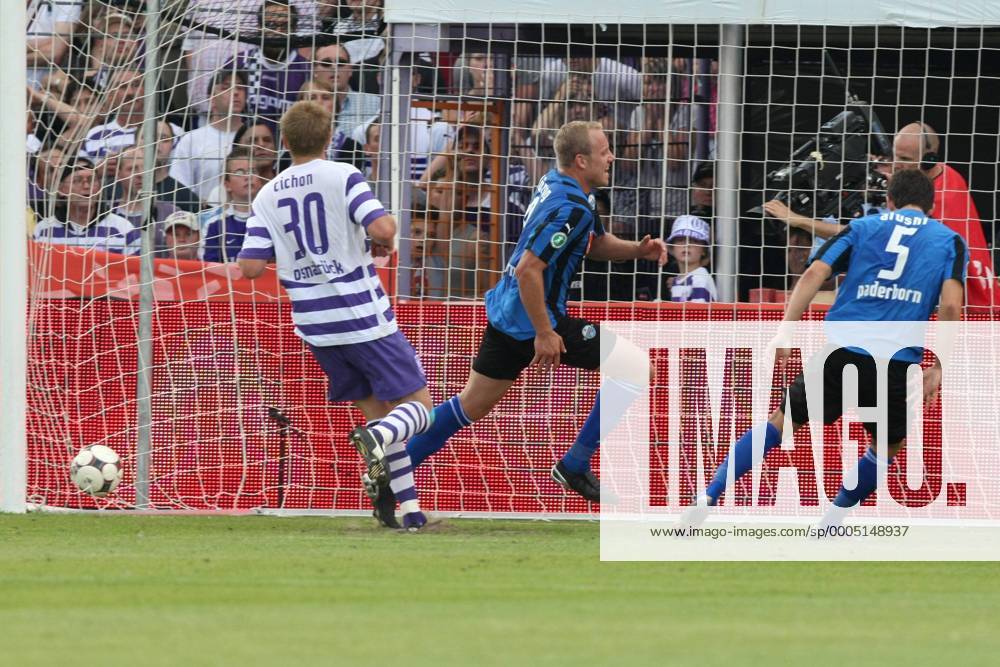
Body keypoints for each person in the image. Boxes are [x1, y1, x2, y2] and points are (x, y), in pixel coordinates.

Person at [394, 121, 668, 503]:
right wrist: (545, 332)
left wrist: (637, 251)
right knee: (638, 369)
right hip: (538, 319)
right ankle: (574, 464)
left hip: (508, 315)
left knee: (470, 404)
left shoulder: (560, 185)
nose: (611, 157)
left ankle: (394, 473)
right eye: (604, 150)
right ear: (580, 160)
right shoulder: (572, 207)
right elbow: (528, 269)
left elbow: (594, 242)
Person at [681, 169, 966, 529]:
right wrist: (939, 366)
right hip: (894, 362)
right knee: (886, 450)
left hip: (842, 350)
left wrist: (785, 329)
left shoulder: (864, 227)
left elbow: (815, 271)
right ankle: (832, 522)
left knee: (780, 423)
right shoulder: (948, 240)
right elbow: (952, 307)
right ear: (932, 206)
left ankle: (709, 494)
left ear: (889, 201)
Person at [237, 100, 435, 531]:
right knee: (420, 409)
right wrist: (367, 234)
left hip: (316, 326)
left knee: (378, 413)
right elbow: (383, 230)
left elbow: (250, 267)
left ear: (285, 142)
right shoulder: (344, 175)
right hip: (362, 314)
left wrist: (296, 255)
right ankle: (378, 441)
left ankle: (411, 512)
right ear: (329, 138)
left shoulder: (266, 194)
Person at [892, 122, 997, 311]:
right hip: (969, 296)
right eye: (895, 155)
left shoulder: (935, 199)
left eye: (904, 158)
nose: (895, 165)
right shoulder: (946, 173)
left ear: (928, 160)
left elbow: (883, 237)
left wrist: (819, 226)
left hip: (967, 306)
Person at [169, 69, 249, 203]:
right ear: (211, 99)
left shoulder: (254, 137)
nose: (235, 92)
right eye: (226, 87)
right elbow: (180, 188)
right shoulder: (192, 140)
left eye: (240, 88)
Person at [33, 157, 139, 254]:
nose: (86, 186)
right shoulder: (43, 230)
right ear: (61, 190)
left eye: (91, 180)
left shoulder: (123, 228)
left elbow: (137, 270)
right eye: (77, 181)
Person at [200, 146, 268, 263]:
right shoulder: (214, 224)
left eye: (252, 171)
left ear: (260, 179)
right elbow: (208, 268)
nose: (247, 177)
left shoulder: (271, 219)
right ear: (227, 184)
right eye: (239, 172)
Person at [664, 215, 717, 303]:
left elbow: (698, 313)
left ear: (704, 250)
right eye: (681, 240)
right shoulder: (678, 279)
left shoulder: (700, 277)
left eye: (694, 241)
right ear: (672, 248)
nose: (687, 245)